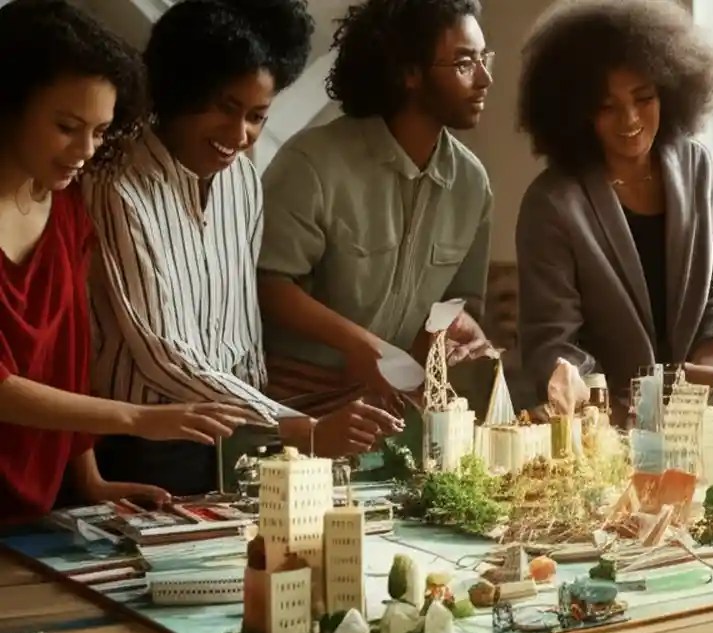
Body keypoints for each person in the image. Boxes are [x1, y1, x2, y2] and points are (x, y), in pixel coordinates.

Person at [83, 0, 402, 497]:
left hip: (247, 435)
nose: (239, 136)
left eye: (256, 116)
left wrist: (276, 423)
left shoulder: (244, 182)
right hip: (145, 446)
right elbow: (161, 355)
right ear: (180, 90)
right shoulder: (117, 182)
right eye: (226, 109)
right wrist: (299, 426)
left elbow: (244, 324)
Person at [0, 0, 252, 522]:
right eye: (67, 126)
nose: (86, 150)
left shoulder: (66, 210)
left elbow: (68, 354)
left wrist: (90, 478)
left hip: (37, 503)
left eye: (100, 131)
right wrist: (136, 418)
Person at [257, 0, 494, 414]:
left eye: (483, 58)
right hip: (297, 403)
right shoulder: (312, 163)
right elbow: (268, 285)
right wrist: (360, 345)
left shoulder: (472, 184)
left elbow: (459, 300)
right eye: (464, 63)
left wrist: (455, 327)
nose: (485, 77)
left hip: (395, 406)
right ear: (409, 73)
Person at [515, 0, 713, 415]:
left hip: (702, 416)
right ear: (576, 112)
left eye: (644, 97)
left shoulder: (696, 166)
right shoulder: (552, 204)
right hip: (607, 428)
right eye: (606, 105)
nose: (630, 118)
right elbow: (551, 339)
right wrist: (602, 401)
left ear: (670, 92)